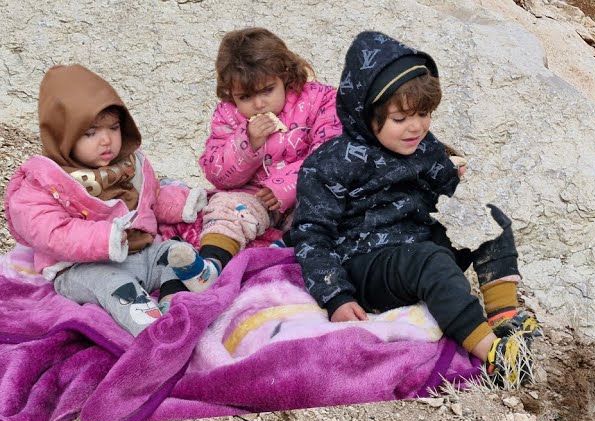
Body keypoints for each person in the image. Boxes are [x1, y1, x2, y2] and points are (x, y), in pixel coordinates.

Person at [286, 31, 539, 388]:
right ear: (366, 113)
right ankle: (496, 356)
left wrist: (453, 179)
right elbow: (312, 233)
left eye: (423, 114)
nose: (416, 127)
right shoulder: (329, 164)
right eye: (400, 118)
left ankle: (505, 314)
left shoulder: (425, 147)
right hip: (366, 263)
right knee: (429, 262)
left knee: (488, 219)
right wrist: (336, 297)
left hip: (418, 243)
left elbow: (447, 193)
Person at [4, 65, 212, 335]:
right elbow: (49, 233)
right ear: (63, 136)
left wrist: (182, 203)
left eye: (114, 128)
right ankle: (153, 330)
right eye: (90, 133)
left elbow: (150, 200)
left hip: (139, 254)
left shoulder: (128, 166)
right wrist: (105, 238)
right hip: (82, 268)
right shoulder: (44, 182)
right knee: (116, 286)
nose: (107, 141)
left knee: (171, 253)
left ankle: (176, 300)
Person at [197, 27, 343, 278]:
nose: (258, 104)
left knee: (330, 214)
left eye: (267, 90)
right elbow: (217, 173)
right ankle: (210, 265)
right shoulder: (227, 115)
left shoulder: (319, 99)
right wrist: (248, 141)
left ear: (285, 76)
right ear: (230, 93)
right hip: (253, 195)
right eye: (245, 97)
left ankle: (284, 249)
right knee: (225, 207)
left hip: (306, 192)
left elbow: (330, 151)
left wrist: (287, 185)